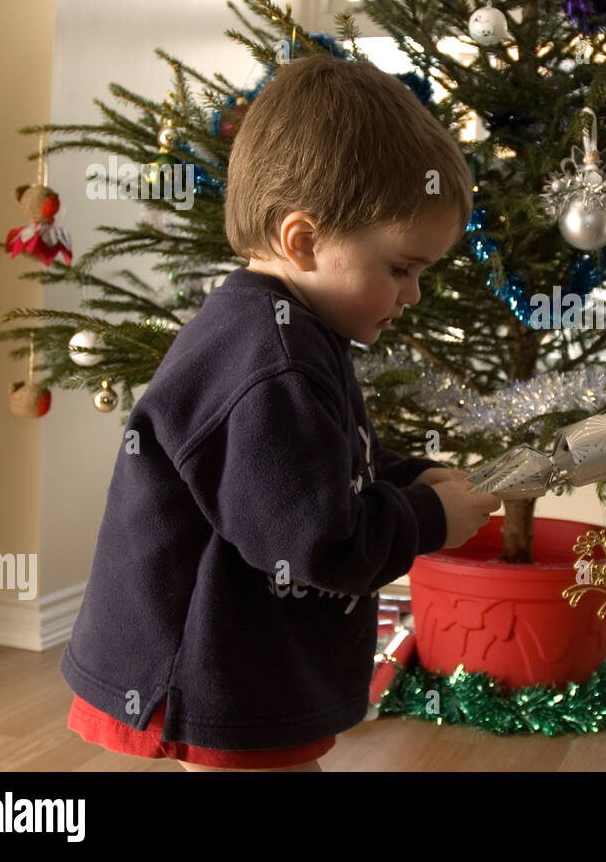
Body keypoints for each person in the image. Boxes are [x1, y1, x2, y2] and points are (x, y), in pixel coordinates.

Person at [61, 54, 501, 771]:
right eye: (400, 268)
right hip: (207, 661)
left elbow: (326, 462)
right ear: (303, 240)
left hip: (243, 653)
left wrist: (418, 475)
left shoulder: (292, 329)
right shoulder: (273, 358)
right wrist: (428, 519)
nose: (412, 294)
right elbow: (317, 541)